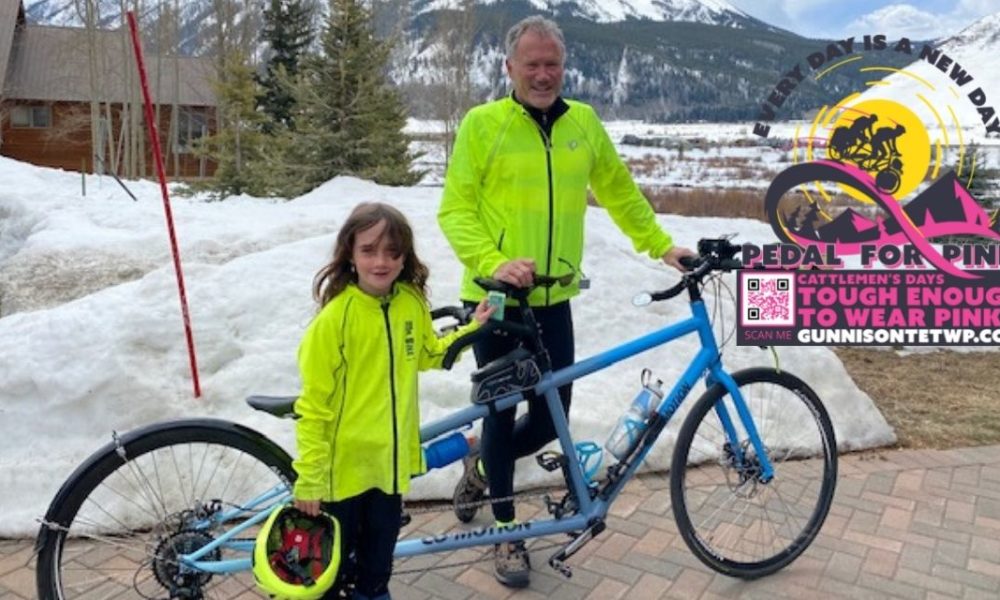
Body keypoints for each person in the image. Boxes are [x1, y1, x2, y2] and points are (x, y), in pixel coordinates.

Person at [437, 15, 695, 588]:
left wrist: (661, 245)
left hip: (554, 302)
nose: (543, 74)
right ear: (509, 68)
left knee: (553, 417)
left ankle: (480, 465)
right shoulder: (484, 125)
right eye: (531, 63)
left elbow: (620, 192)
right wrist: (493, 263)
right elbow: (454, 210)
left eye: (552, 63)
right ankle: (504, 533)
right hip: (497, 303)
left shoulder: (584, 124)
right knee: (502, 416)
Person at [292, 202, 494, 600]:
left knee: (376, 569)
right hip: (342, 474)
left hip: (389, 470)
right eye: (369, 250)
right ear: (350, 254)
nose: (381, 261)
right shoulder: (334, 320)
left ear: (405, 257)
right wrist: (311, 479)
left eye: (393, 251)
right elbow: (313, 408)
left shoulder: (409, 303)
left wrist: (471, 330)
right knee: (328, 577)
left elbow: (427, 353)